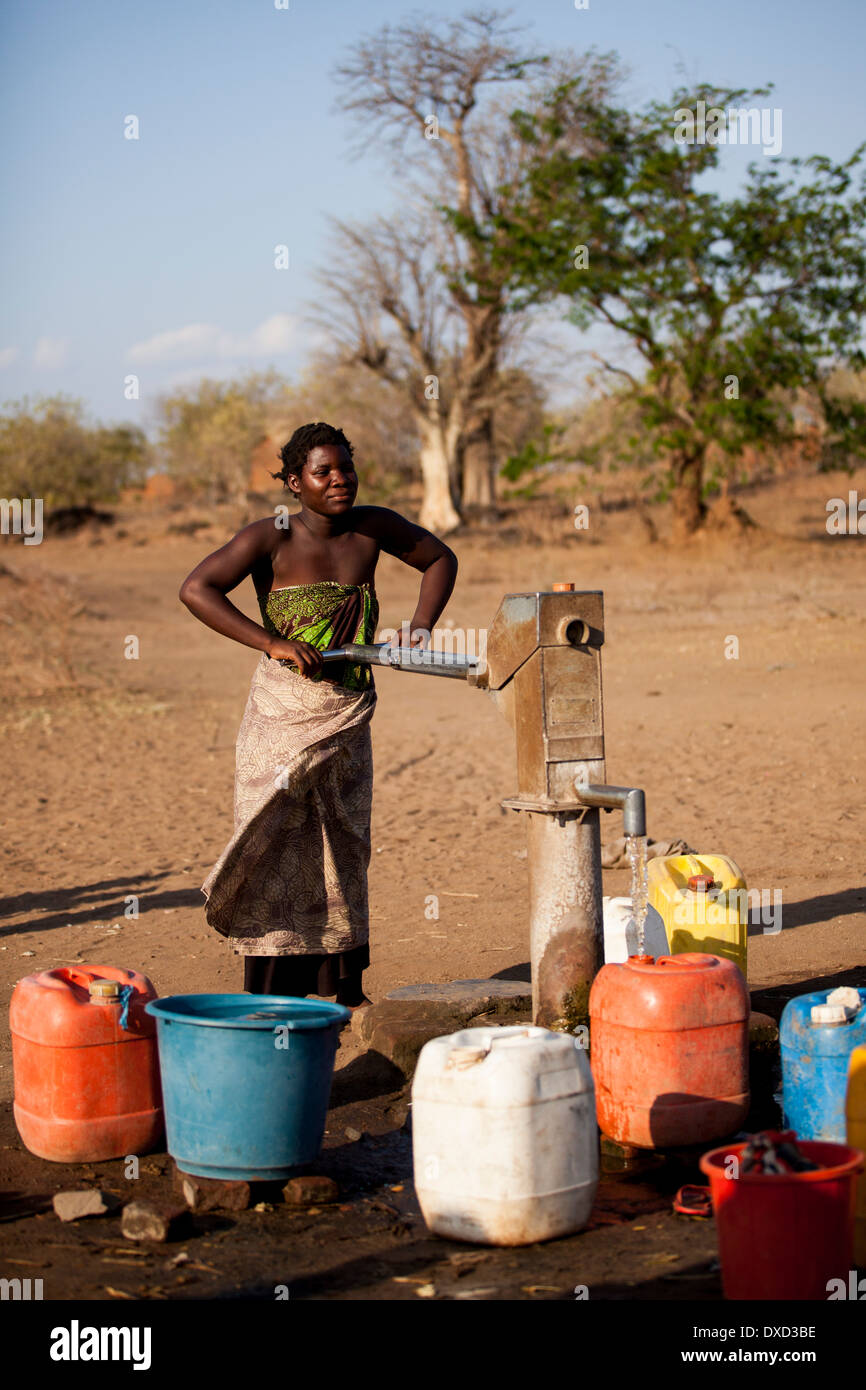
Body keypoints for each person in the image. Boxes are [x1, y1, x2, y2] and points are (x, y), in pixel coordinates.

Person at [179, 421, 458, 1009]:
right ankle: (272, 995)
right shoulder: (270, 537)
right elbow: (197, 589)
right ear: (292, 482)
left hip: (348, 711)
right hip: (283, 713)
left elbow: (439, 559)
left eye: (345, 469)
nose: (339, 481)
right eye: (322, 472)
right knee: (275, 834)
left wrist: (421, 625)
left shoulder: (373, 527)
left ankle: (341, 991)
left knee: (342, 843)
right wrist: (270, 642)